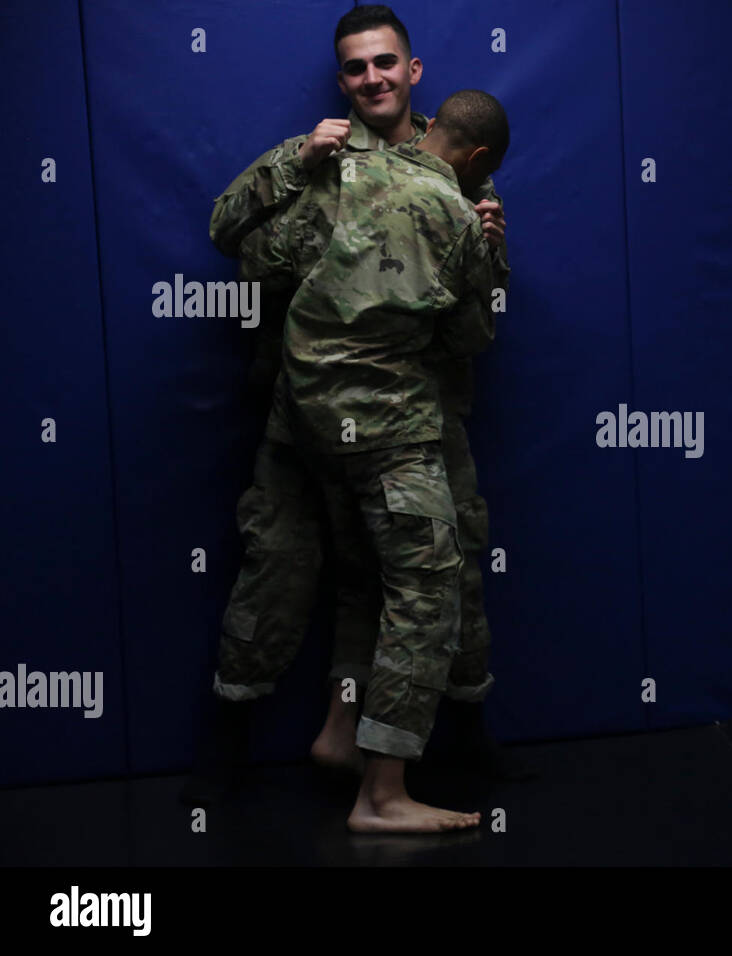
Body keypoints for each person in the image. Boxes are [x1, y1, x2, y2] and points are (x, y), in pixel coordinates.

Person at [199, 4, 511, 785]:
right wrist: (295, 167)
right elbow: (229, 234)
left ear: (413, 71)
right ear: (342, 78)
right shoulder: (322, 152)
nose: (371, 78)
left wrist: (492, 249)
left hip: (419, 412)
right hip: (306, 408)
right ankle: (229, 750)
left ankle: (465, 745)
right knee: (278, 563)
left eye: (384, 63)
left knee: (448, 570)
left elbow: (474, 301)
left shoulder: (462, 159)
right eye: (355, 67)